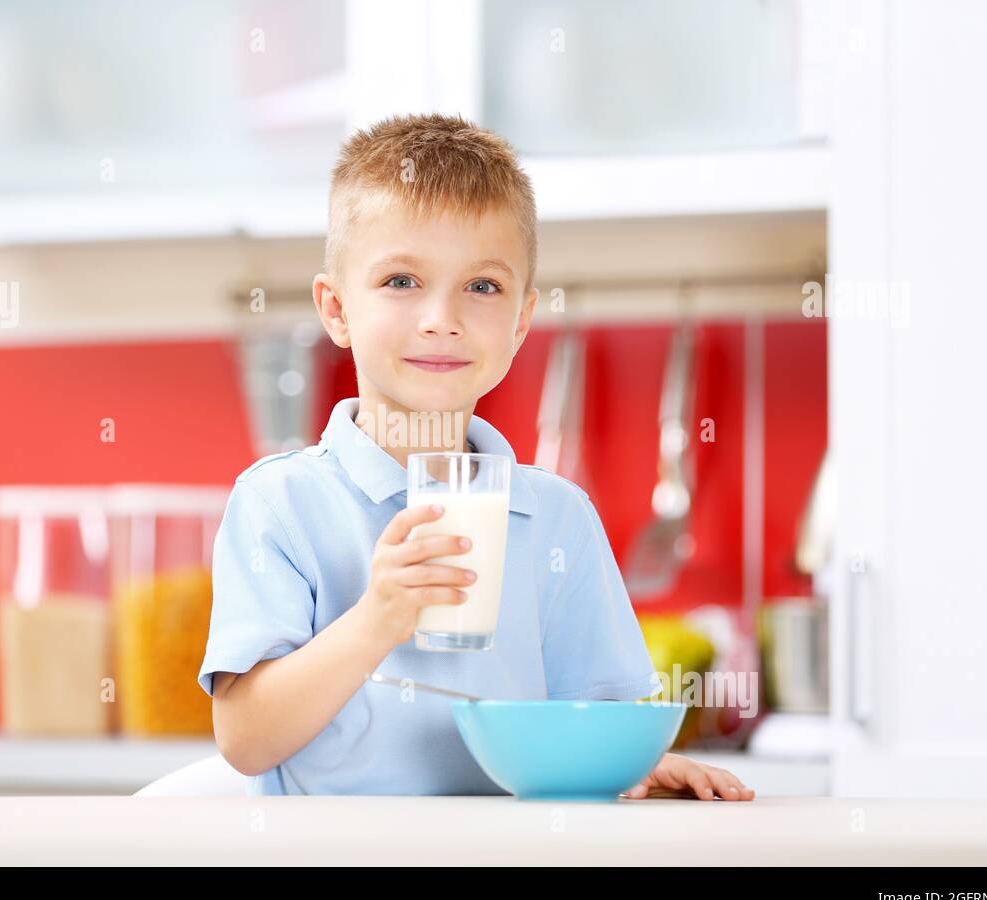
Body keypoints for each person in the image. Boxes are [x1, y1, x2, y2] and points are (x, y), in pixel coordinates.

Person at [198, 113, 754, 802]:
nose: (443, 317)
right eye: (401, 280)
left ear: (521, 319)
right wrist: (379, 617)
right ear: (336, 309)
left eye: (482, 286)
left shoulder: (557, 518)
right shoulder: (280, 503)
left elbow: (602, 721)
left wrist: (633, 764)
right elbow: (246, 739)